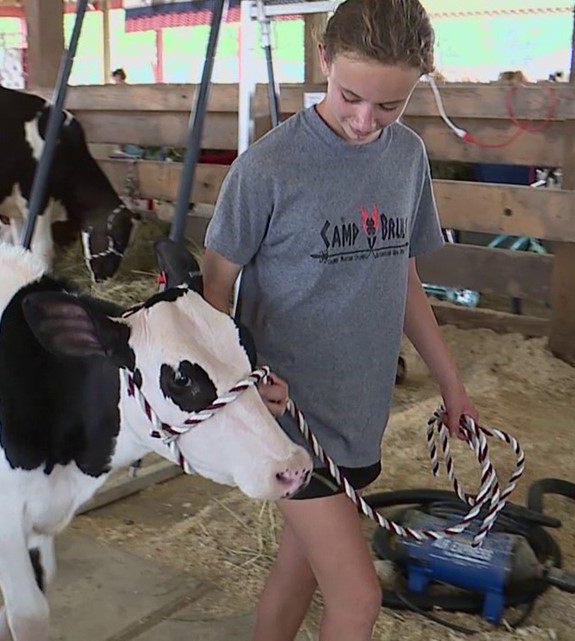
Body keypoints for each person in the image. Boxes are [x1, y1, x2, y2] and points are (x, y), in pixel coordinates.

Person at [200, 2, 480, 640]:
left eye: (389, 106)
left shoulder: (405, 158)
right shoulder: (267, 169)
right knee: (357, 601)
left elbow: (401, 274)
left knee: (299, 572)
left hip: (360, 410)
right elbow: (215, 286)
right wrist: (237, 384)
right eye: (351, 96)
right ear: (325, 60)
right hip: (289, 419)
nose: (364, 121)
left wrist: (451, 382)